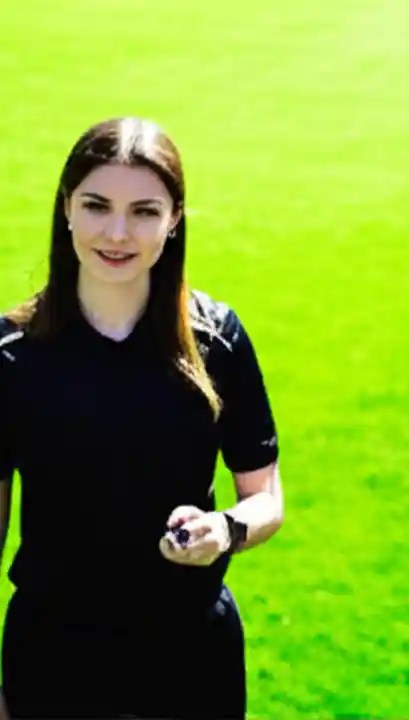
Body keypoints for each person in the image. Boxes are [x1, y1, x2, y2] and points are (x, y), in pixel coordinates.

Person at [0, 117, 285, 719]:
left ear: (175, 218)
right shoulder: (12, 354)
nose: (118, 233)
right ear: (66, 209)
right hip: (54, 657)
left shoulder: (216, 339)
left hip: (190, 655)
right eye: (97, 206)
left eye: (145, 211)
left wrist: (224, 530)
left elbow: (265, 498)